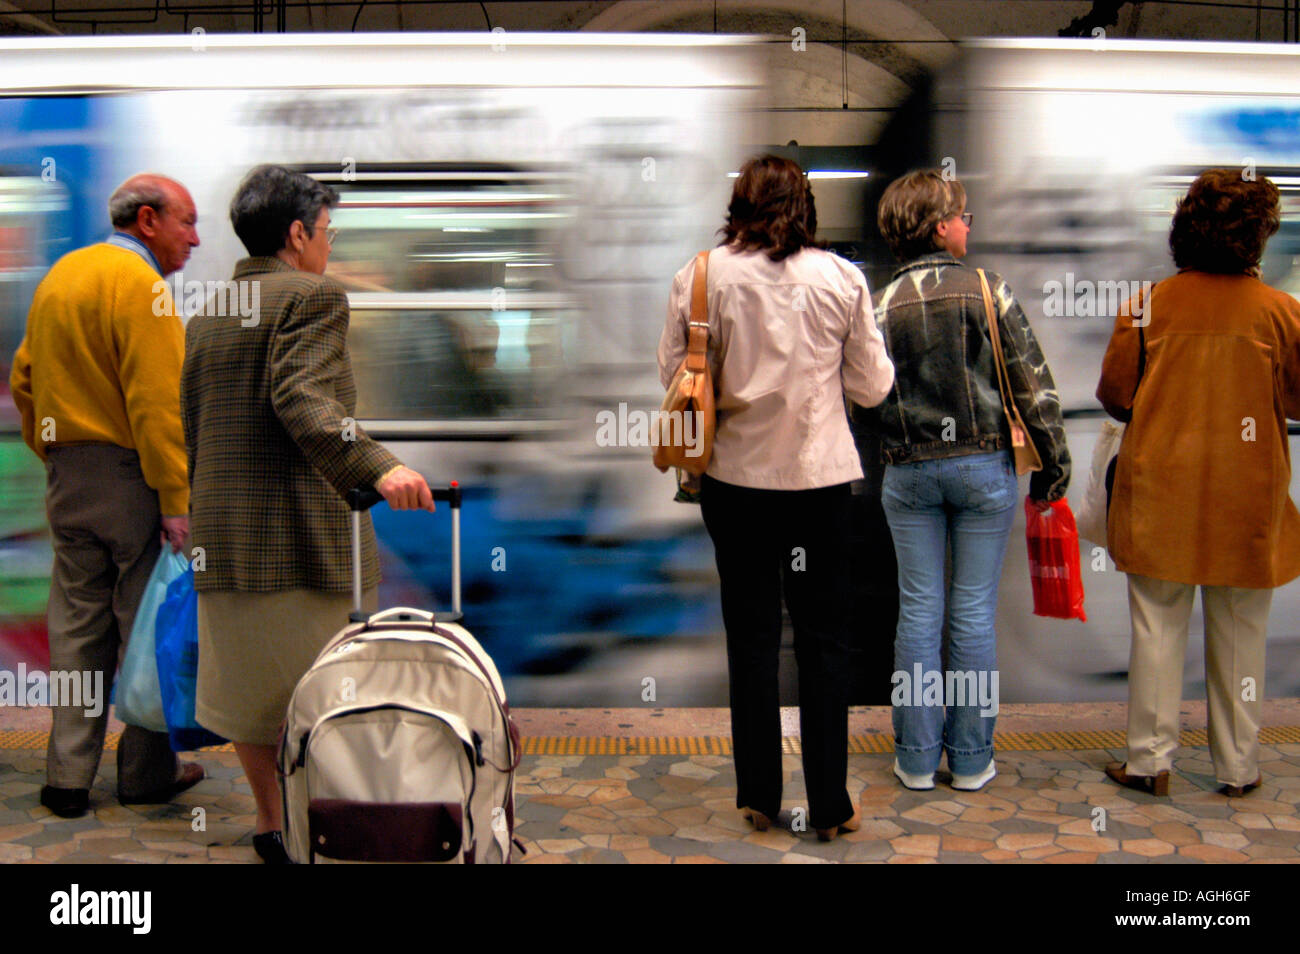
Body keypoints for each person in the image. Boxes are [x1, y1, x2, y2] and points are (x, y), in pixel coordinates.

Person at [181, 165, 433, 863]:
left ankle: (273, 824)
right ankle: (314, 826)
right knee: (317, 693)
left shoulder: (209, 309)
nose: (329, 246)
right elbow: (305, 404)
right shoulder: (314, 297)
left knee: (252, 697)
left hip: (224, 539)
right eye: (327, 231)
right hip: (297, 540)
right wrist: (379, 465)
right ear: (297, 233)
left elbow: (194, 424)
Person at [658, 154, 895, 841]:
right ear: (806, 207)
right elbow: (872, 387)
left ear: (738, 205)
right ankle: (830, 804)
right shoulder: (842, 278)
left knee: (753, 640)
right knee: (826, 642)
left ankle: (759, 797)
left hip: (735, 486)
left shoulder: (700, 276)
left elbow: (674, 373)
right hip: (821, 486)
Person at [859, 169, 1069, 793]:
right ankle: (972, 760)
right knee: (973, 613)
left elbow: (861, 397)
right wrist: (1052, 469)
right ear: (939, 226)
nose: (968, 225)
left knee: (918, 612)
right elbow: (1033, 384)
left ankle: (917, 758)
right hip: (983, 471)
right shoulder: (988, 290)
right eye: (963, 216)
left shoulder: (876, 305)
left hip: (909, 474)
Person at [1098, 169, 1300, 798]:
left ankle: (1149, 763)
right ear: (1257, 238)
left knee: (1157, 628)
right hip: (1247, 499)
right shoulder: (1282, 313)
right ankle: (1238, 770)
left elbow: (1114, 395)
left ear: (1184, 229)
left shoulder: (1148, 305)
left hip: (1160, 493)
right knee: (1241, 637)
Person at [9, 173, 206, 818]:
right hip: (133, 480)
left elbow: (24, 378)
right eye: (186, 222)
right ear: (147, 221)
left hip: (68, 477)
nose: (195, 239)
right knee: (149, 626)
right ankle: (146, 774)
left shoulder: (61, 275)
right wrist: (175, 500)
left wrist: (59, 454)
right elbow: (157, 406)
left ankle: (66, 777)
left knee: (75, 628)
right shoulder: (143, 287)